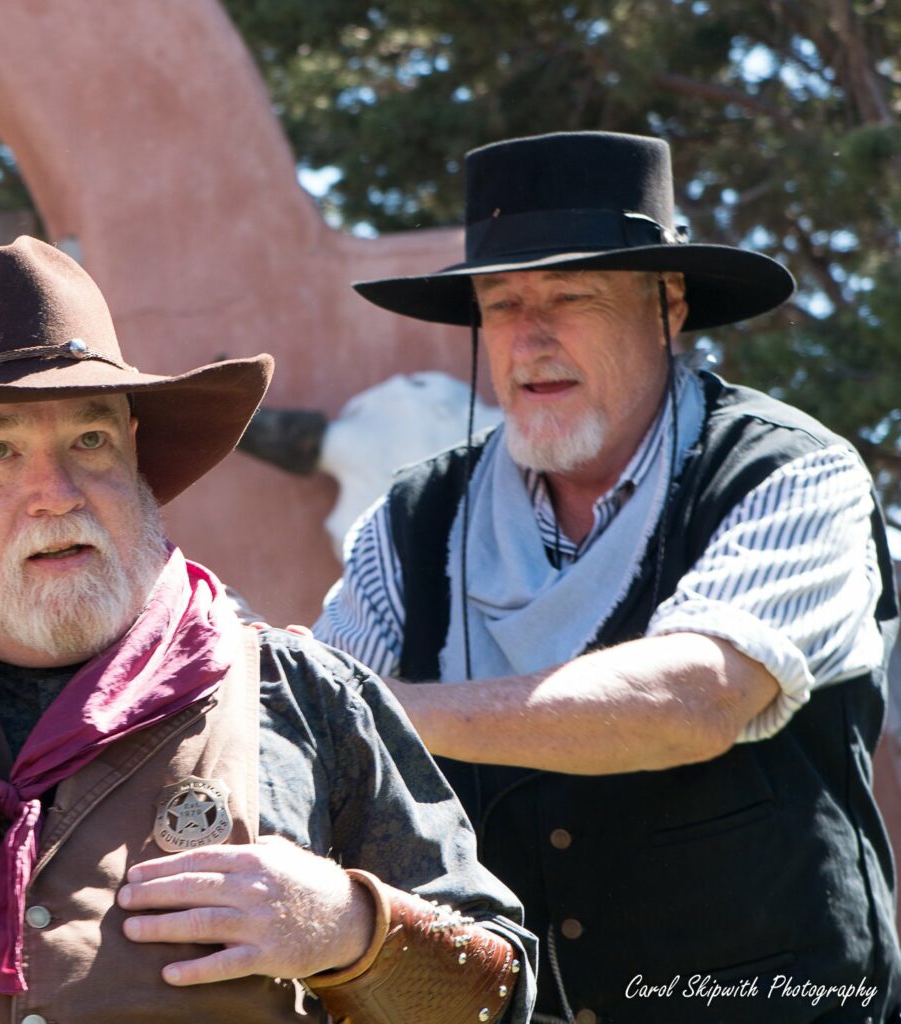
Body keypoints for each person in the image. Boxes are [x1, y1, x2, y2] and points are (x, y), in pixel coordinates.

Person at [0, 236, 535, 1024]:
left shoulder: (302, 697)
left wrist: (353, 929)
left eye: (88, 439)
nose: (58, 492)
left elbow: (497, 995)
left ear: (136, 453)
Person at [315, 131, 901, 1023]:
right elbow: (322, 760)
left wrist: (373, 712)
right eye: (502, 303)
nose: (530, 337)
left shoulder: (791, 474)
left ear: (668, 307)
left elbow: (696, 697)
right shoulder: (407, 523)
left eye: (570, 296)